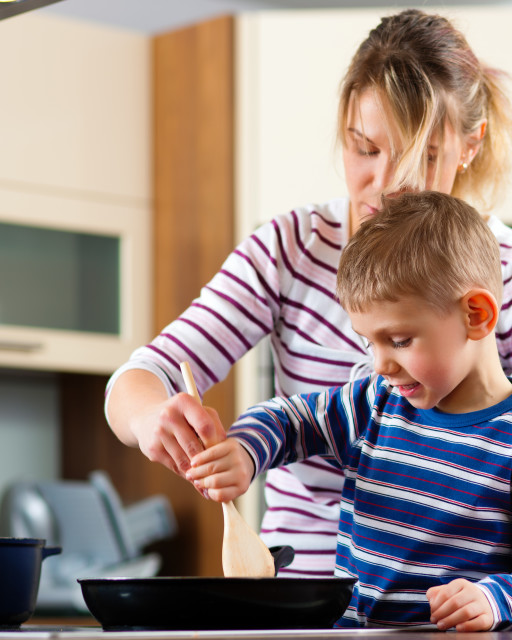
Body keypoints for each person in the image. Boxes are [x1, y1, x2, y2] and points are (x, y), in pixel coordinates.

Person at [104, 8, 512, 577]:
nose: (386, 184)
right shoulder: (291, 246)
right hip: (303, 595)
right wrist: (154, 420)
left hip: (448, 608)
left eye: (421, 157)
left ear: (471, 144)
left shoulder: (500, 273)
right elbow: (143, 378)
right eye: (364, 149)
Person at [186, 191, 512, 630]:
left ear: (476, 314)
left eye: (398, 340)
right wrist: (245, 451)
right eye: (368, 342)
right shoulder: (373, 402)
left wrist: (494, 599)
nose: (380, 364)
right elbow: (289, 419)